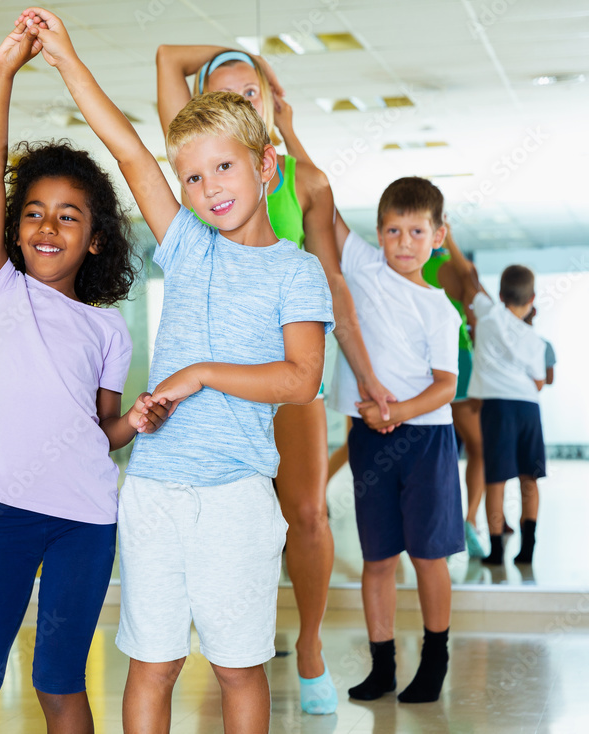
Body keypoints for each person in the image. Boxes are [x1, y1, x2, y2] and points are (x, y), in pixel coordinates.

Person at [23, 9, 334, 731]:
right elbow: (126, 147)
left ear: (266, 165)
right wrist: (66, 56)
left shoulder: (296, 271)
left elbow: (301, 379)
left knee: (237, 668)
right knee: (153, 663)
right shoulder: (189, 244)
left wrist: (200, 373)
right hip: (156, 490)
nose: (208, 189)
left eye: (224, 167)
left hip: (235, 498)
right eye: (192, 177)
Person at [0, 20, 164, 734]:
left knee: (61, 684)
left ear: (94, 239)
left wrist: (140, 419)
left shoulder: (108, 327)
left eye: (68, 217)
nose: (47, 227)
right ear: (13, 227)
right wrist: (3, 73)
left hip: (87, 522)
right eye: (33, 213)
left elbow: (102, 432)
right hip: (7, 521)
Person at [156, 44, 396, 714]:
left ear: (271, 100)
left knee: (308, 513)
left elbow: (334, 289)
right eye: (226, 94)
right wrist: (241, 55)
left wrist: (369, 379)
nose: (243, 103)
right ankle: (230, 642)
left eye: (251, 92)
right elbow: (165, 59)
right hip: (214, 377)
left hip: (287, 372)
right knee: (221, 511)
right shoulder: (208, 168)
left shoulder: (304, 181)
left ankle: (312, 643)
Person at [329, 177, 464, 704]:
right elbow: (323, 199)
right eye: (392, 230)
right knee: (378, 557)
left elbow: (447, 386)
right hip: (371, 437)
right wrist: (286, 127)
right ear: (378, 233)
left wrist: (397, 412)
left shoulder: (440, 310)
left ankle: (434, 659)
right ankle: (382, 665)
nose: (403, 242)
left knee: (429, 557)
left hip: (425, 440)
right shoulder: (362, 265)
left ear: (438, 236)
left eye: (416, 231)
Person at [457, 257, 546, 565]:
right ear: (532, 299)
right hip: (528, 410)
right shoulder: (534, 340)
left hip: (496, 408)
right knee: (529, 479)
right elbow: (538, 382)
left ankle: (495, 550)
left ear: (501, 294)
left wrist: (455, 246)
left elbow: (470, 282)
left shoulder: (491, 314)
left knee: (496, 480)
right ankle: (528, 548)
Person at [421, 226, 487, 557]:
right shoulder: (451, 268)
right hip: (455, 363)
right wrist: (453, 243)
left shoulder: (409, 265)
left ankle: (445, 527)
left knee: (436, 451)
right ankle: (467, 523)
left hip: (423, 364)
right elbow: (479, 296)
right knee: (478, 449)